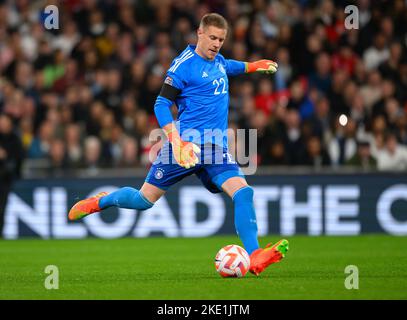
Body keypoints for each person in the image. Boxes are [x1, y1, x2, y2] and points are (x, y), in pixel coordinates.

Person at [68, 13, 289, 276]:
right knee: (143, 200)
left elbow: (230, 66)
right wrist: (177, 141)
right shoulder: (183, 66)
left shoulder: (217, 61)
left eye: (221, 39)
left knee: (243, 192)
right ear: (199, 33)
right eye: (212, 38)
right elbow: (161, 103)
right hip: (184, 147)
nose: (216, 44)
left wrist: (254, 66)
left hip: (215, 148)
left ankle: (254, 256)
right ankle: (100, 202)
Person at [0, 113, 24, 237]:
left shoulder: (15, 139)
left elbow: (18, 160)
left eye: (5, 122)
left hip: (5, 180)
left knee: (2, 209)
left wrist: (5, 156)